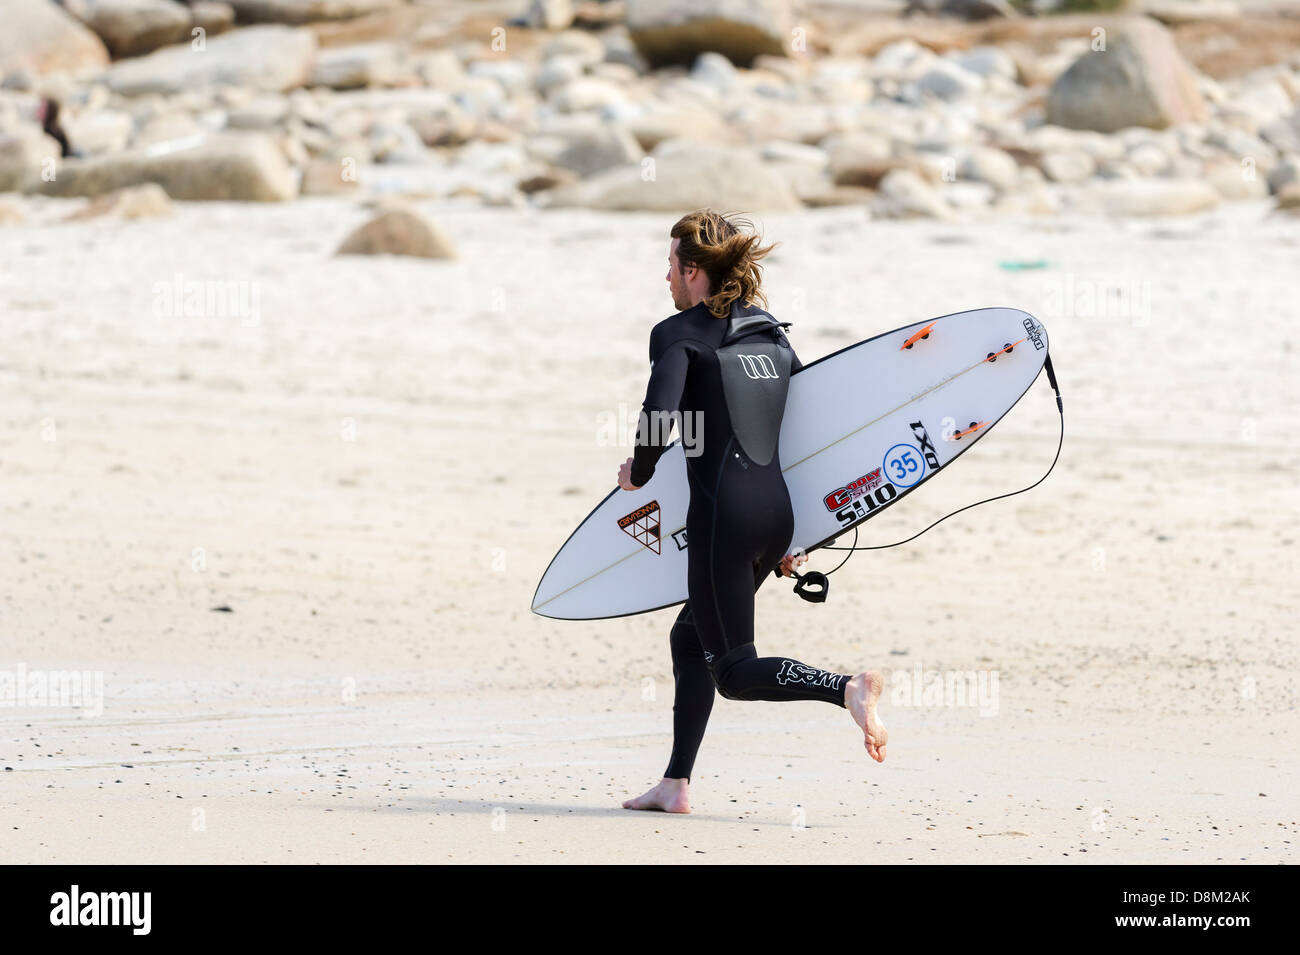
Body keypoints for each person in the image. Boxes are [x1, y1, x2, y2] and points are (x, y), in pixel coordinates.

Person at [618, 210, 887, 814]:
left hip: (725, 520)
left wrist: (636, 472)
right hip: (778, 515)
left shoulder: (677, 333)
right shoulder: (771, 332)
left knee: (735, 671)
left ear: (693, 271)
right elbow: (806, 429)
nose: (665, 277)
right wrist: (808, 530)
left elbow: (659, 416)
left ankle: (844, 688)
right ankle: (675, 784)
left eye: (669, 266)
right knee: (690, 638)